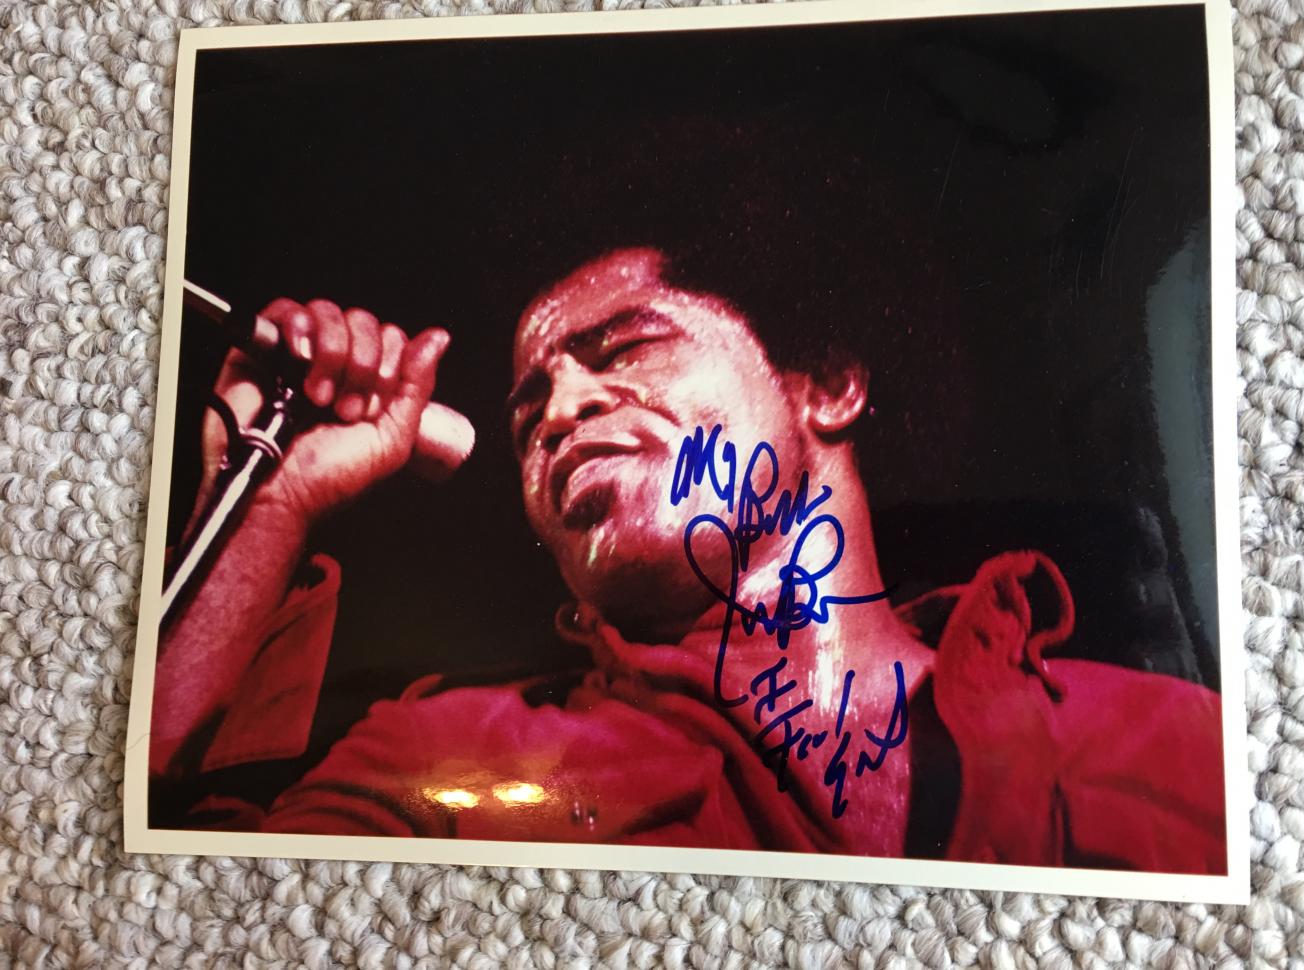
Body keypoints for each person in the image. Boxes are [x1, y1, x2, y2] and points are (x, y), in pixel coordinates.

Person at [151, 246, 1226, 871]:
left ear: (824, 387)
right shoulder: (445, 756)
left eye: (624, 348)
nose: (560, 412)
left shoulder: (1171, 741)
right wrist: (272, 493)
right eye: (528, 414)